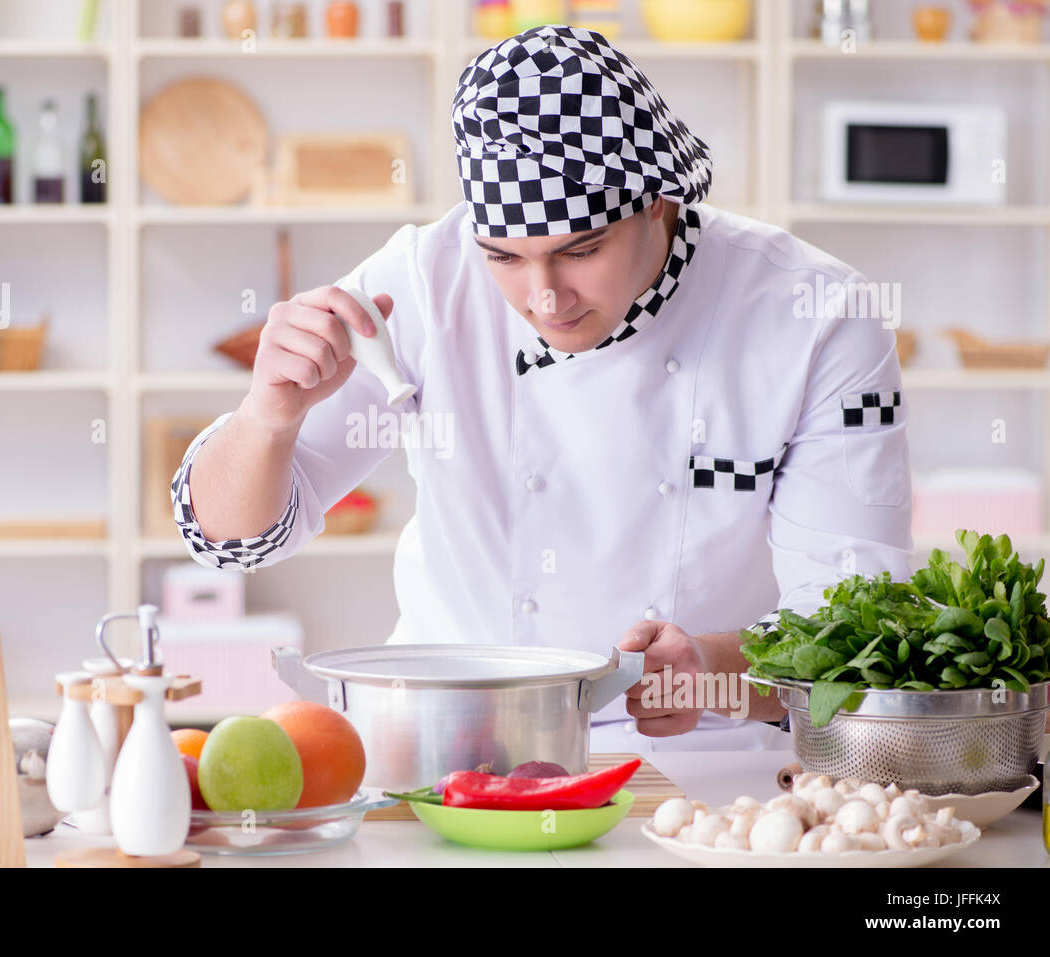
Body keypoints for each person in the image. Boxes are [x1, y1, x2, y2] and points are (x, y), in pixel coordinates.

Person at [171, 25, 913, 753]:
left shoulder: (818, 315)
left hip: (703, 765)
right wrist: (268, 415)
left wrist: (715, 672)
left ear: (658, 200)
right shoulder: (424, 282)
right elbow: (231, 543)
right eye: (504, 257)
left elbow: (858, 636)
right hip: (441, 748)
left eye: (580, 250)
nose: (545, 298)